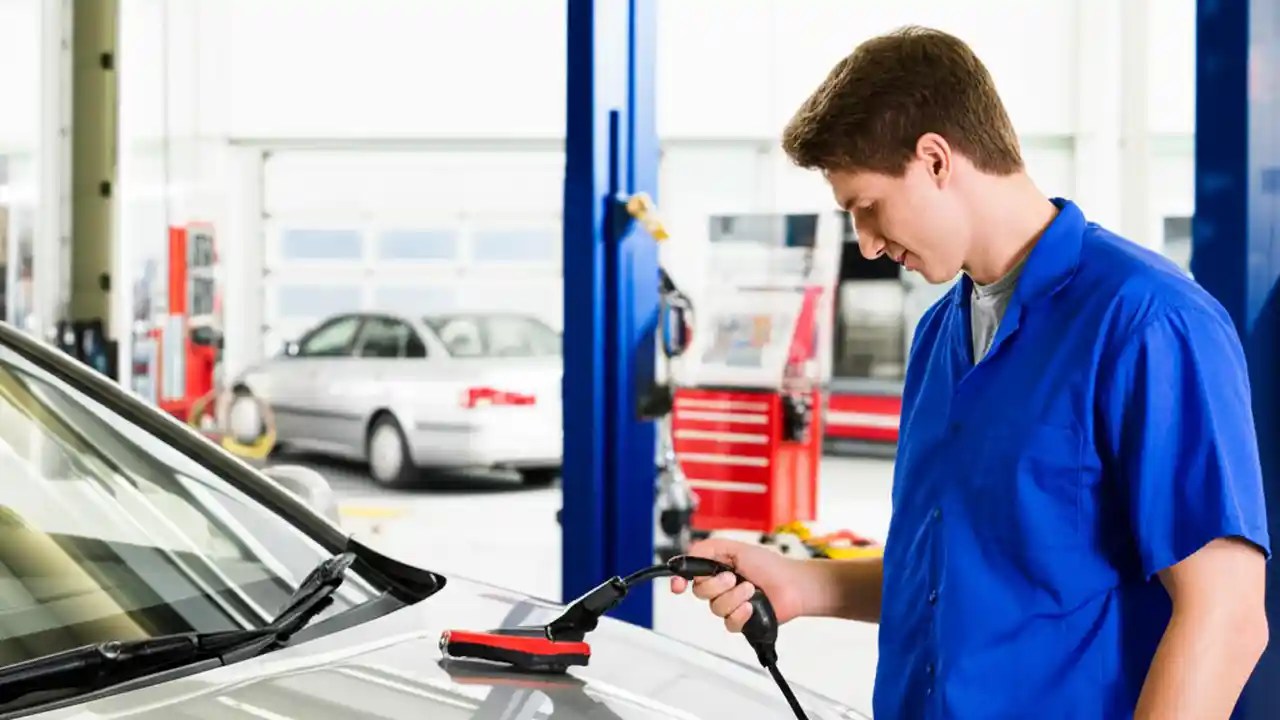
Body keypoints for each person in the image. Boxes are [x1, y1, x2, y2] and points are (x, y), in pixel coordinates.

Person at [672, 25, 1271, 719]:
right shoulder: (940, 333)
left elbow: (1225, 616)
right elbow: (972, 566)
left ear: (934, 160)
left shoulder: (1147, 321)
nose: (865, 244)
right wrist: (807, 586)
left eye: (866, 207)